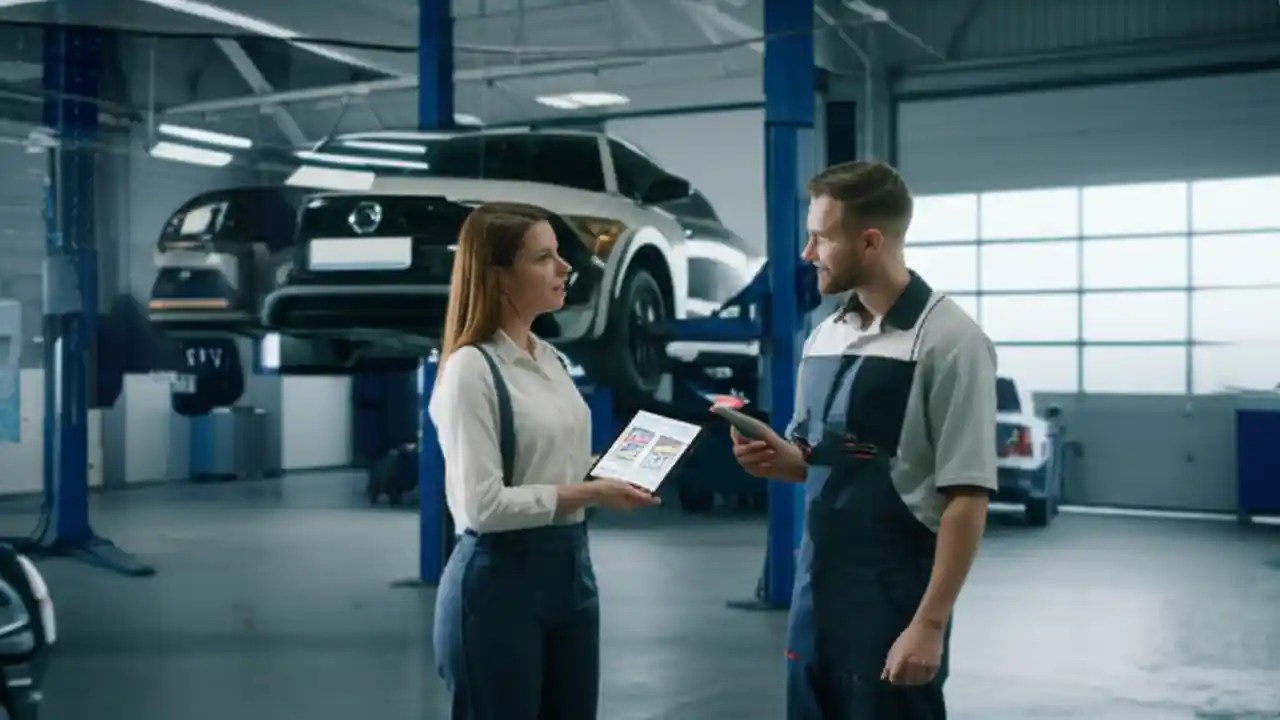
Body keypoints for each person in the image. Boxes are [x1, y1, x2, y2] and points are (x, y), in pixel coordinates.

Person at [729, 161, 997, 718]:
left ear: (870, 241)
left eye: (821, 238)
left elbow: (966, 497)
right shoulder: (825, 335)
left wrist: (928, 624)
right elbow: (816, 458)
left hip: (893, 601)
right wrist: (780, 459)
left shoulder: (951, 340)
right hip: (816, 594)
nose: (807, 254)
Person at [428, 201, 660, 720]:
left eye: (559, 255)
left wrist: (610, 467)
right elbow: (483, 507)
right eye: (544, 258)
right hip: (499, 584)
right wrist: (593, 492)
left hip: (570, 571)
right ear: (499, 277)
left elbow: (556, 462)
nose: (565, 268)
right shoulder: (471, 369)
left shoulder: (548, 358)